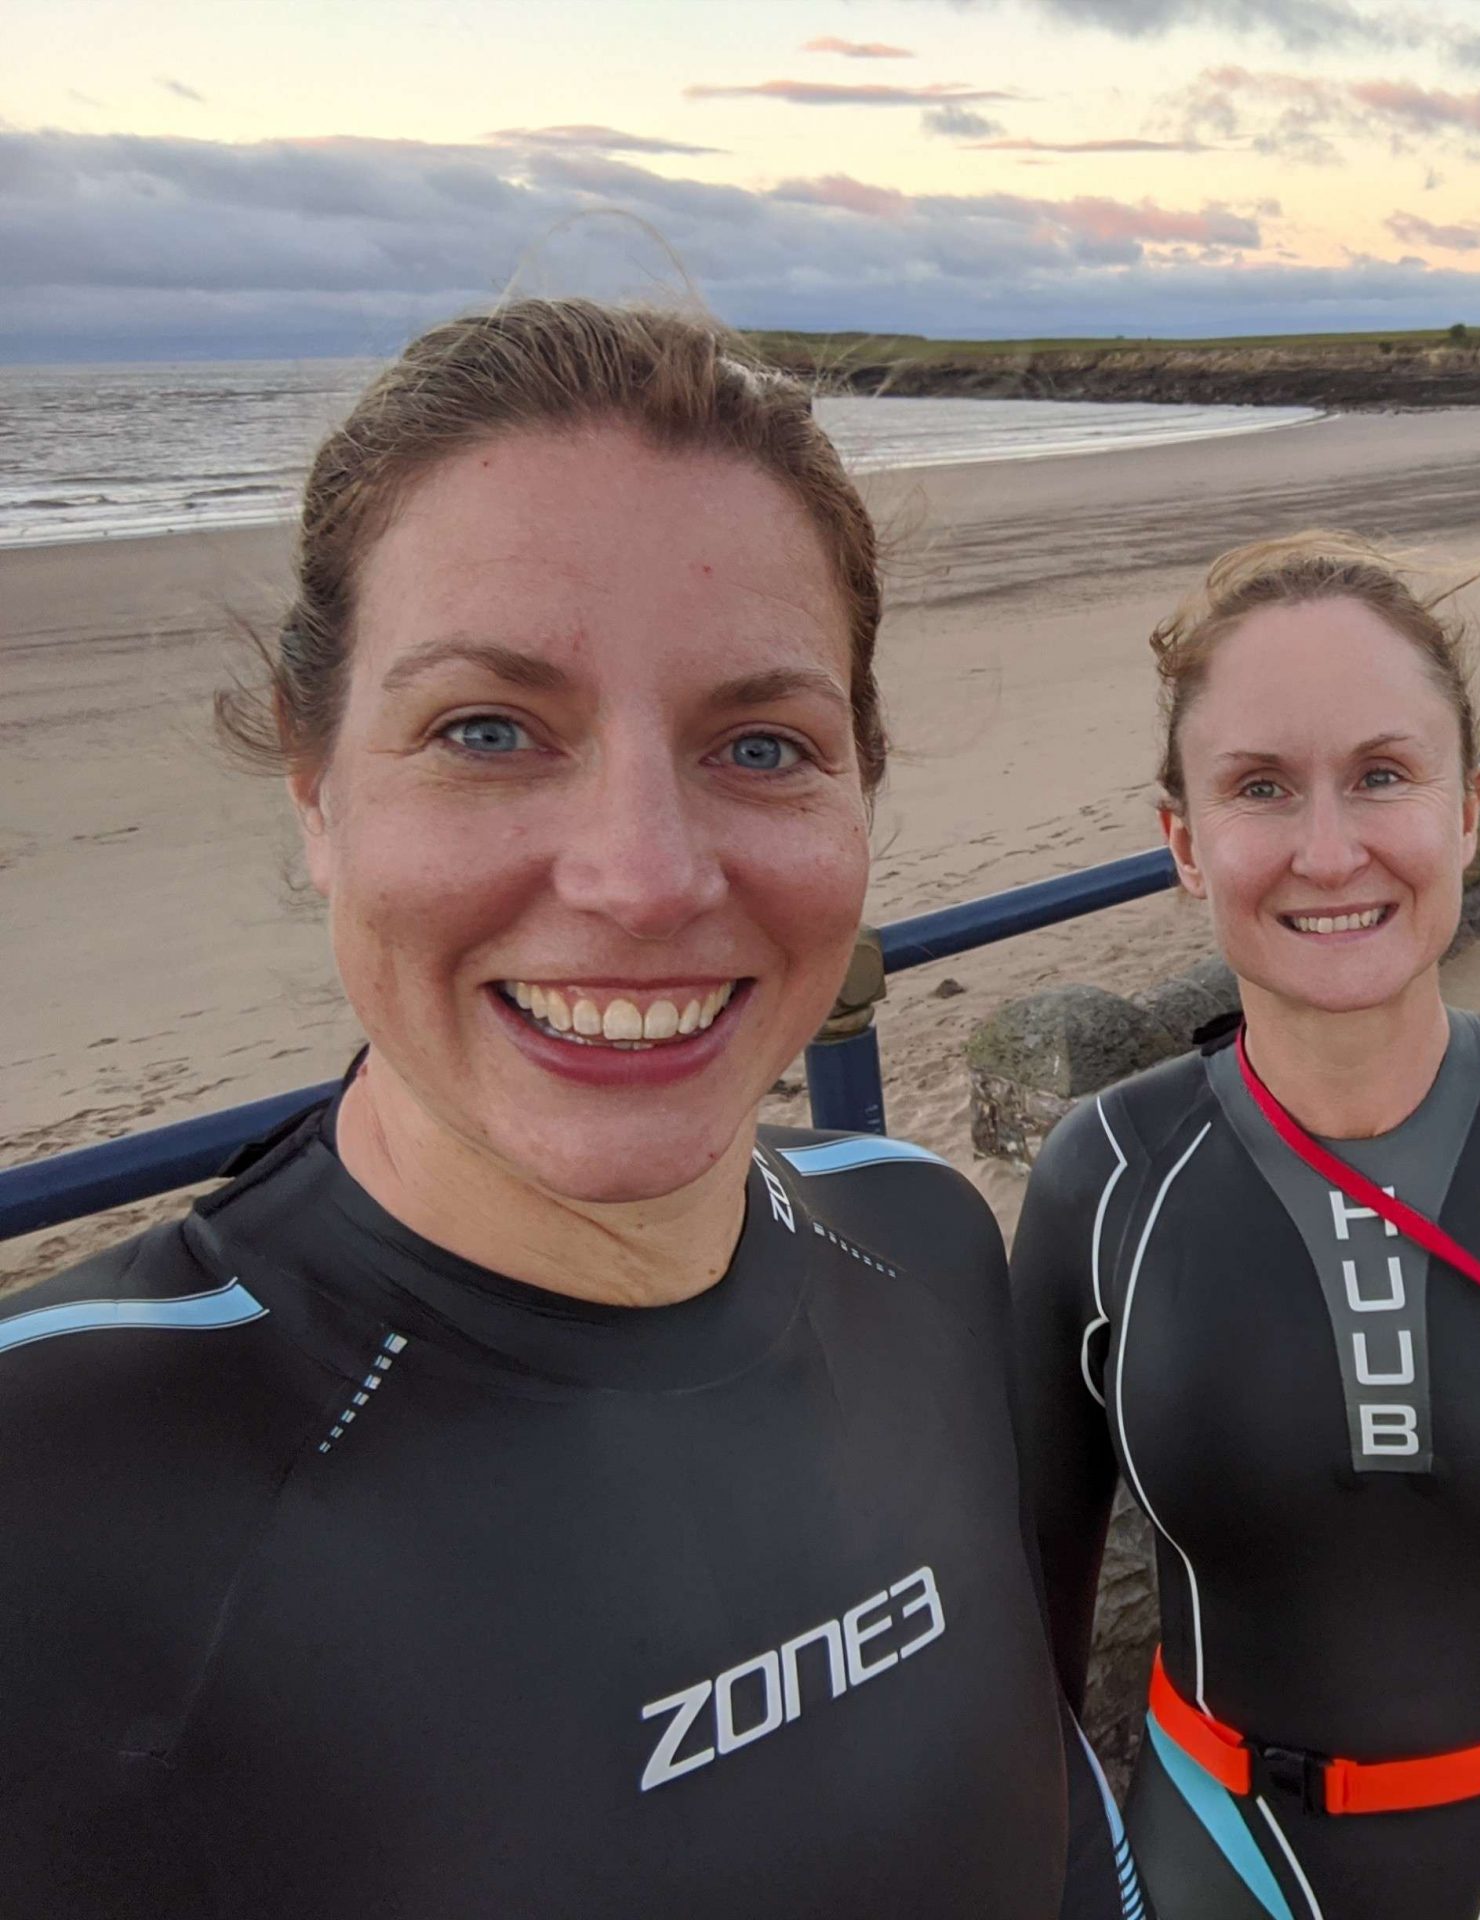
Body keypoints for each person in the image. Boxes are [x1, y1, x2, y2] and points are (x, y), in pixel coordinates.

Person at [0, 300, 1141, 1919]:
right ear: (315, 785)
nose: (646, 880)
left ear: (862, 788)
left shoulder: (923, 1242)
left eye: (761, 744)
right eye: (488, 730)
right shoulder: (55, 1485)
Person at [1010, 534, 1480, 1919]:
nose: (1328, 850)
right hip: (1218, 1862)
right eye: (1261, 788)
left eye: (1382, 775)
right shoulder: (1105, 1178)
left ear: (1472, 806)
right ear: (1185, 841)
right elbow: (1030, 1627)